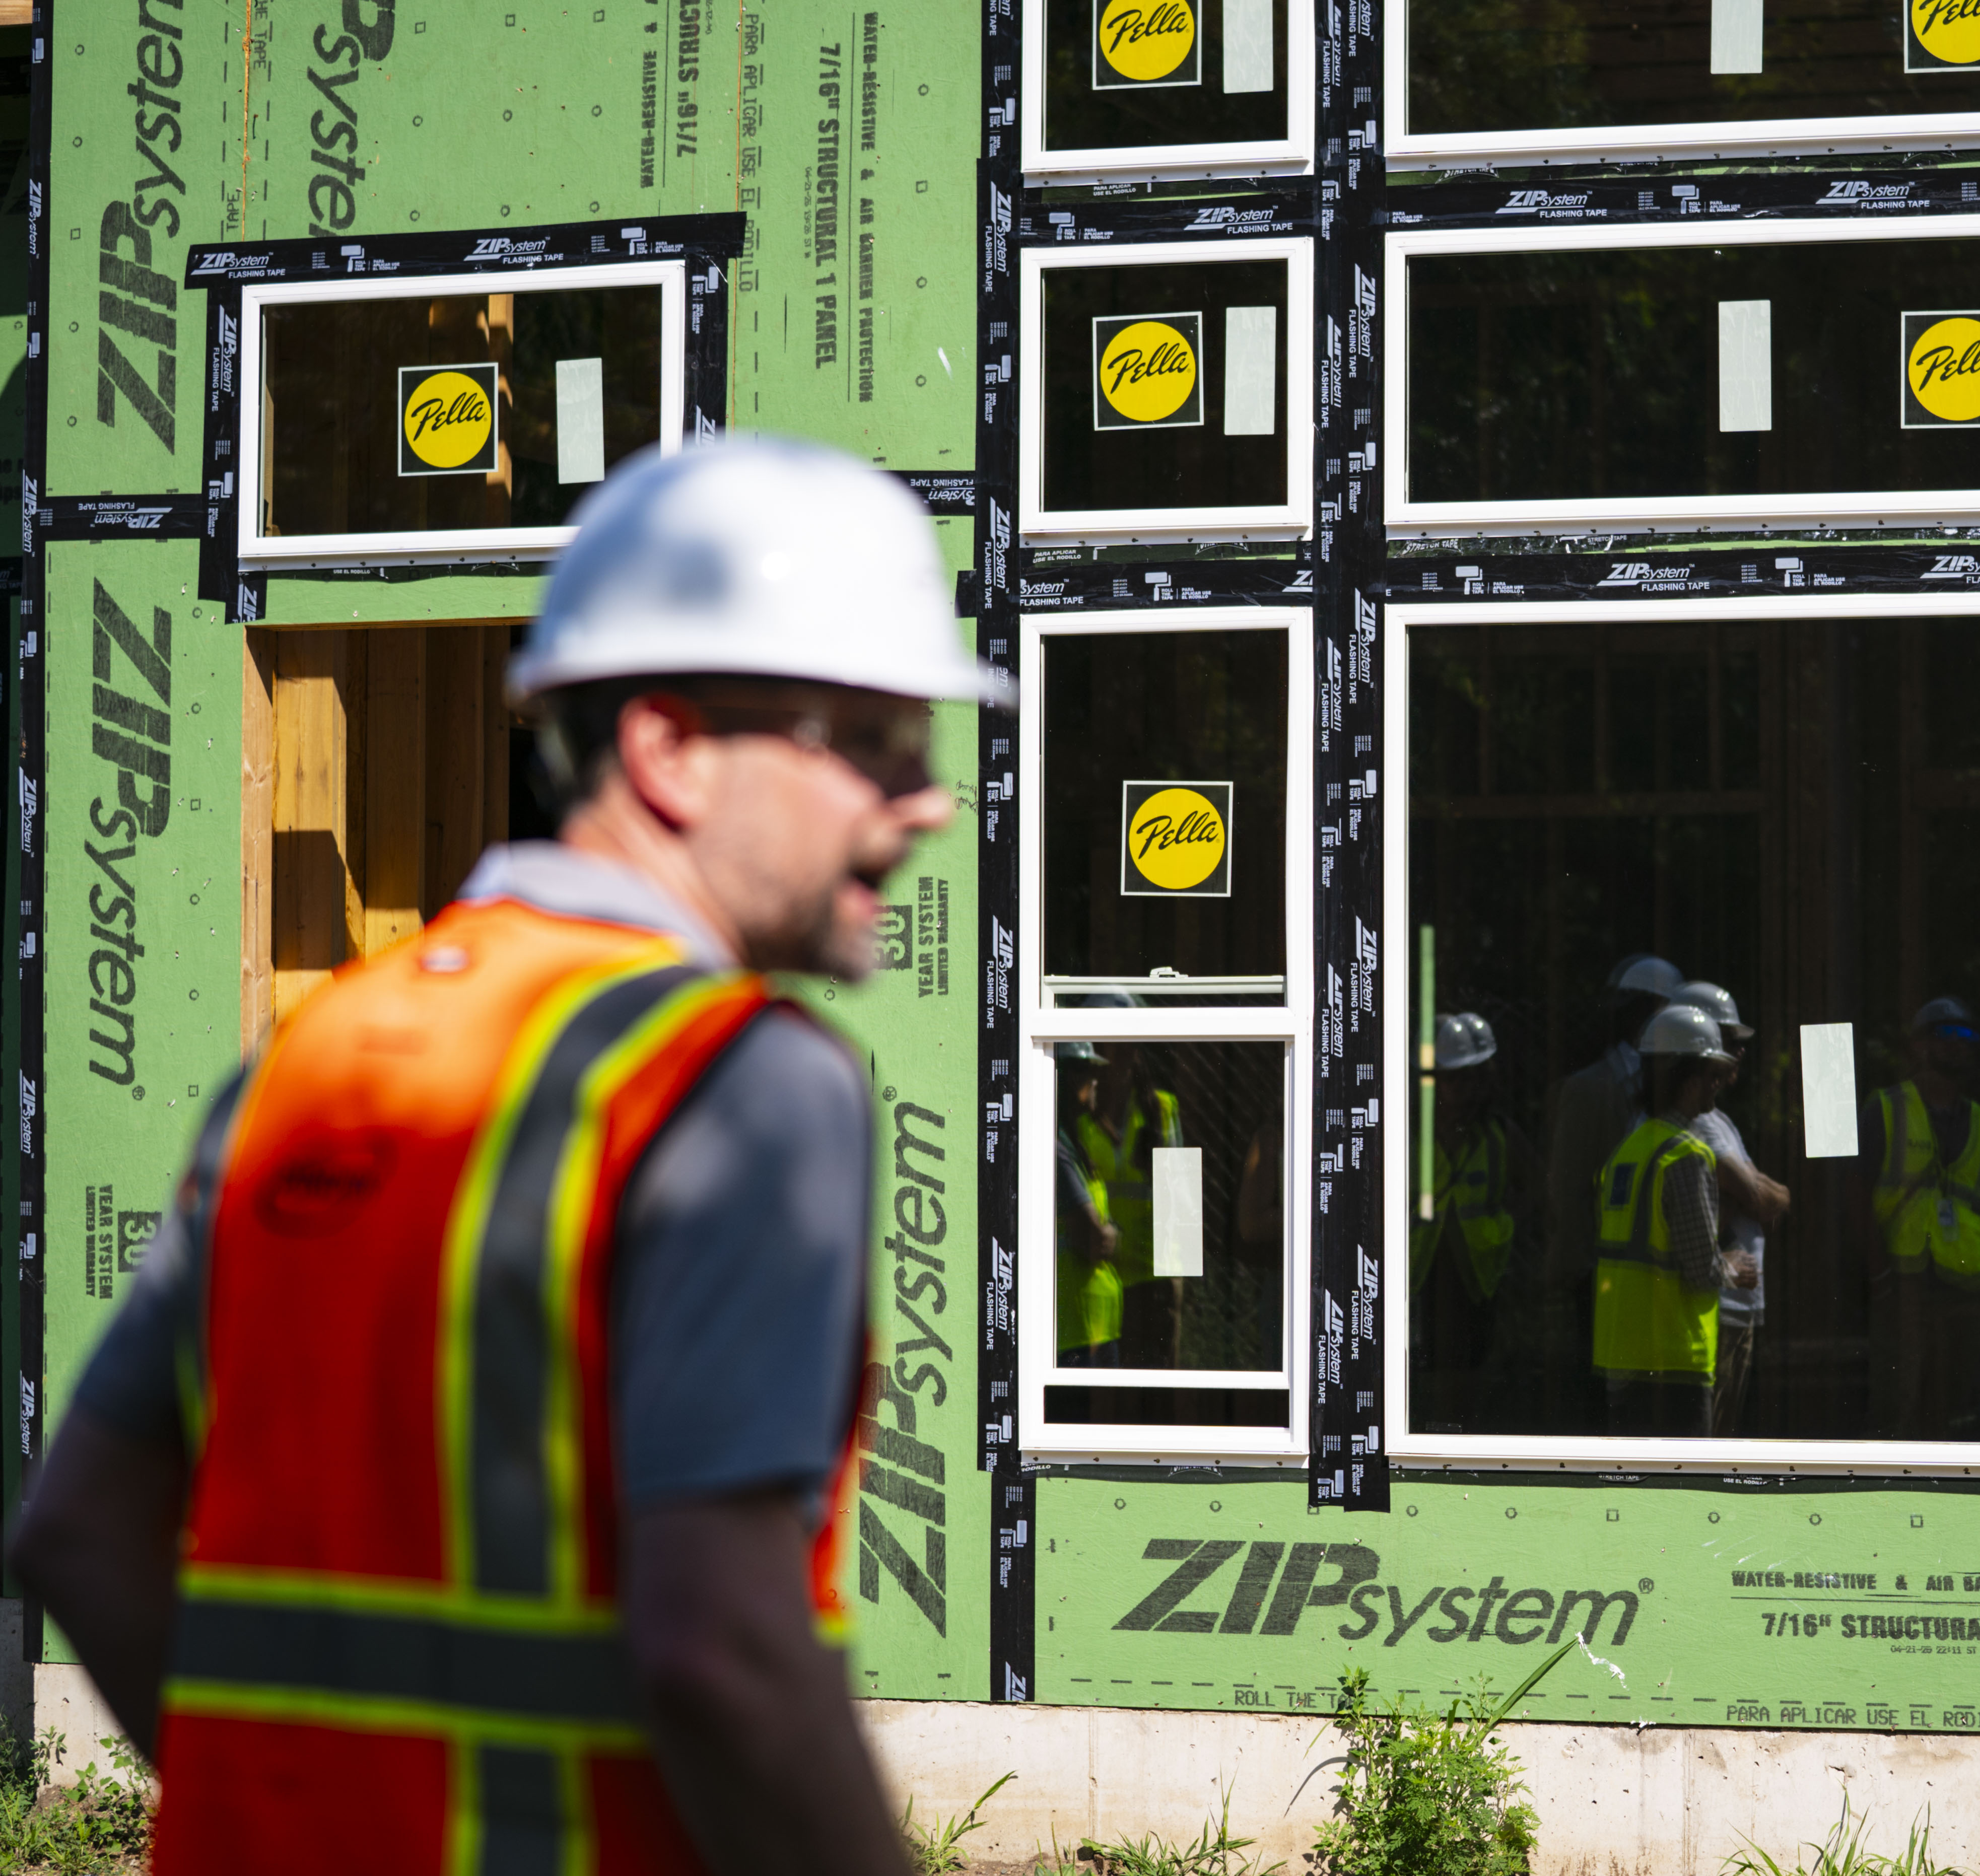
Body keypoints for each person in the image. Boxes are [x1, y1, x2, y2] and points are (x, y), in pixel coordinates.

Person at [9, 440, 1000, 1876]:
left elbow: (80, 1532)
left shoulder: (313, 1055)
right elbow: (725, 1648)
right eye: (874, 743)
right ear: (669, 749)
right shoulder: (735, 1081)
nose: (925, 802)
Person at [1591, 1004, 1756, 1437]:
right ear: (1688, 1076)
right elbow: (1702, 1270)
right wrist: (1736, 1267)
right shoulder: (1685, 1157)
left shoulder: (1628, 1150)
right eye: (1712, 1073)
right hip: (1672, 1364)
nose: (1718, 1084)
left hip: (1623, 1358)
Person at [1864, 996, 1980, 1439]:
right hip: (1905, 1284)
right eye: (1944, 1034)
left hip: (1965, 1288)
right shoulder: (1886, 1109)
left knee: (1947, 1417)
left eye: (1966, 1036)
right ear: (1917, 1046)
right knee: (1896, 1411)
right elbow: (1854, 1193)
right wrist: (1878, 1273)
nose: (1957, 1045)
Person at [1543, 953, 1684, 1429]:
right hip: (1605, 1276)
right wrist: (1579, 1267)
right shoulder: (1590, 1089)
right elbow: (1568, 1188)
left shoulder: (1666, 1084)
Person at [1670, 982, 1790, 1437]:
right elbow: (1763, 1199)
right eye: (1730, 1041)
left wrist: (1757, 1192)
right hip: (1717, 1307)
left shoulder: (1718, 1120)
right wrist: (1756, 1193)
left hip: (1738, 1306)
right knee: (1707, 1443)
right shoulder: (1696, 1123)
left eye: (1741, 1043)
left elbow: (1766, 1197)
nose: (1739, 1052)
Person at [1410, 1012, 1530, 1433]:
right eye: (1451, 1079)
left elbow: (1535, 1190)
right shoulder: (1406, 1137)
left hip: (1479, 1279)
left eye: (1470, 1079)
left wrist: (1504, 1227)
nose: (1461, 1091)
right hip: (1416, 1277)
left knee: (1468, 1379)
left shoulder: (1501, 1136)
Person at [1079, 1043, 1186, 1365]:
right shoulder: (1082, 1117)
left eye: (1124, 1047)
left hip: (1152, 1281)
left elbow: (1181, 1204)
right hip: (1099, 1278)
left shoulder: (1163, 1109)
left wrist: (1177, 1286)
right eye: (1108, 1048)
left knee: (1153, 1399)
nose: (1117, 1056)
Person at [1056, 1041, 1124, 1367]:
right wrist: (1111, 1233)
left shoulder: (1072, 1141)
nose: (1095, 1081)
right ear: (1068, 1080)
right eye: (1087, 1072)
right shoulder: (1056, 1148)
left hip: (1093, 1326)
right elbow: (1095, 1238)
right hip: (1076, 1332)